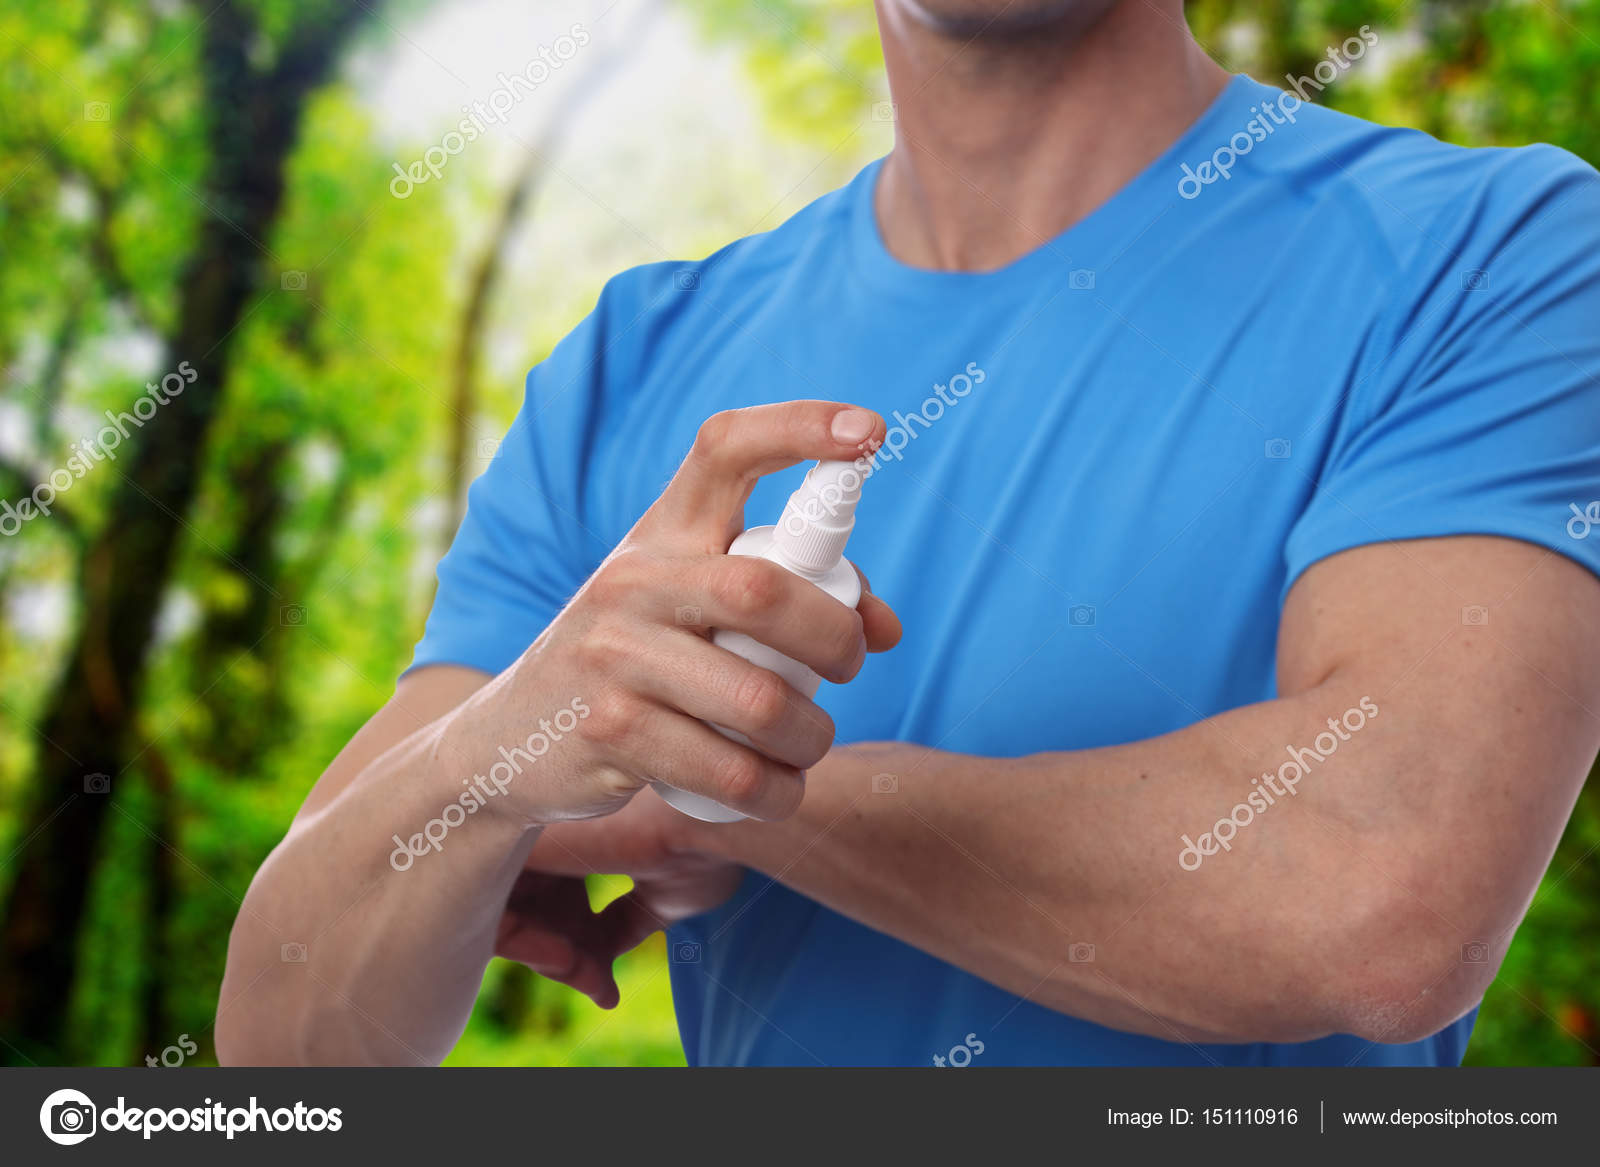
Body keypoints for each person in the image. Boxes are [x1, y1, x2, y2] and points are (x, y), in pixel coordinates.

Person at [217, 0, 1600, 1066]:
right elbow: (284, 1046)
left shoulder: (1499, 256)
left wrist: (721, 792)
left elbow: (1380, 894)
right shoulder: (632, 361)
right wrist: (503, 760)